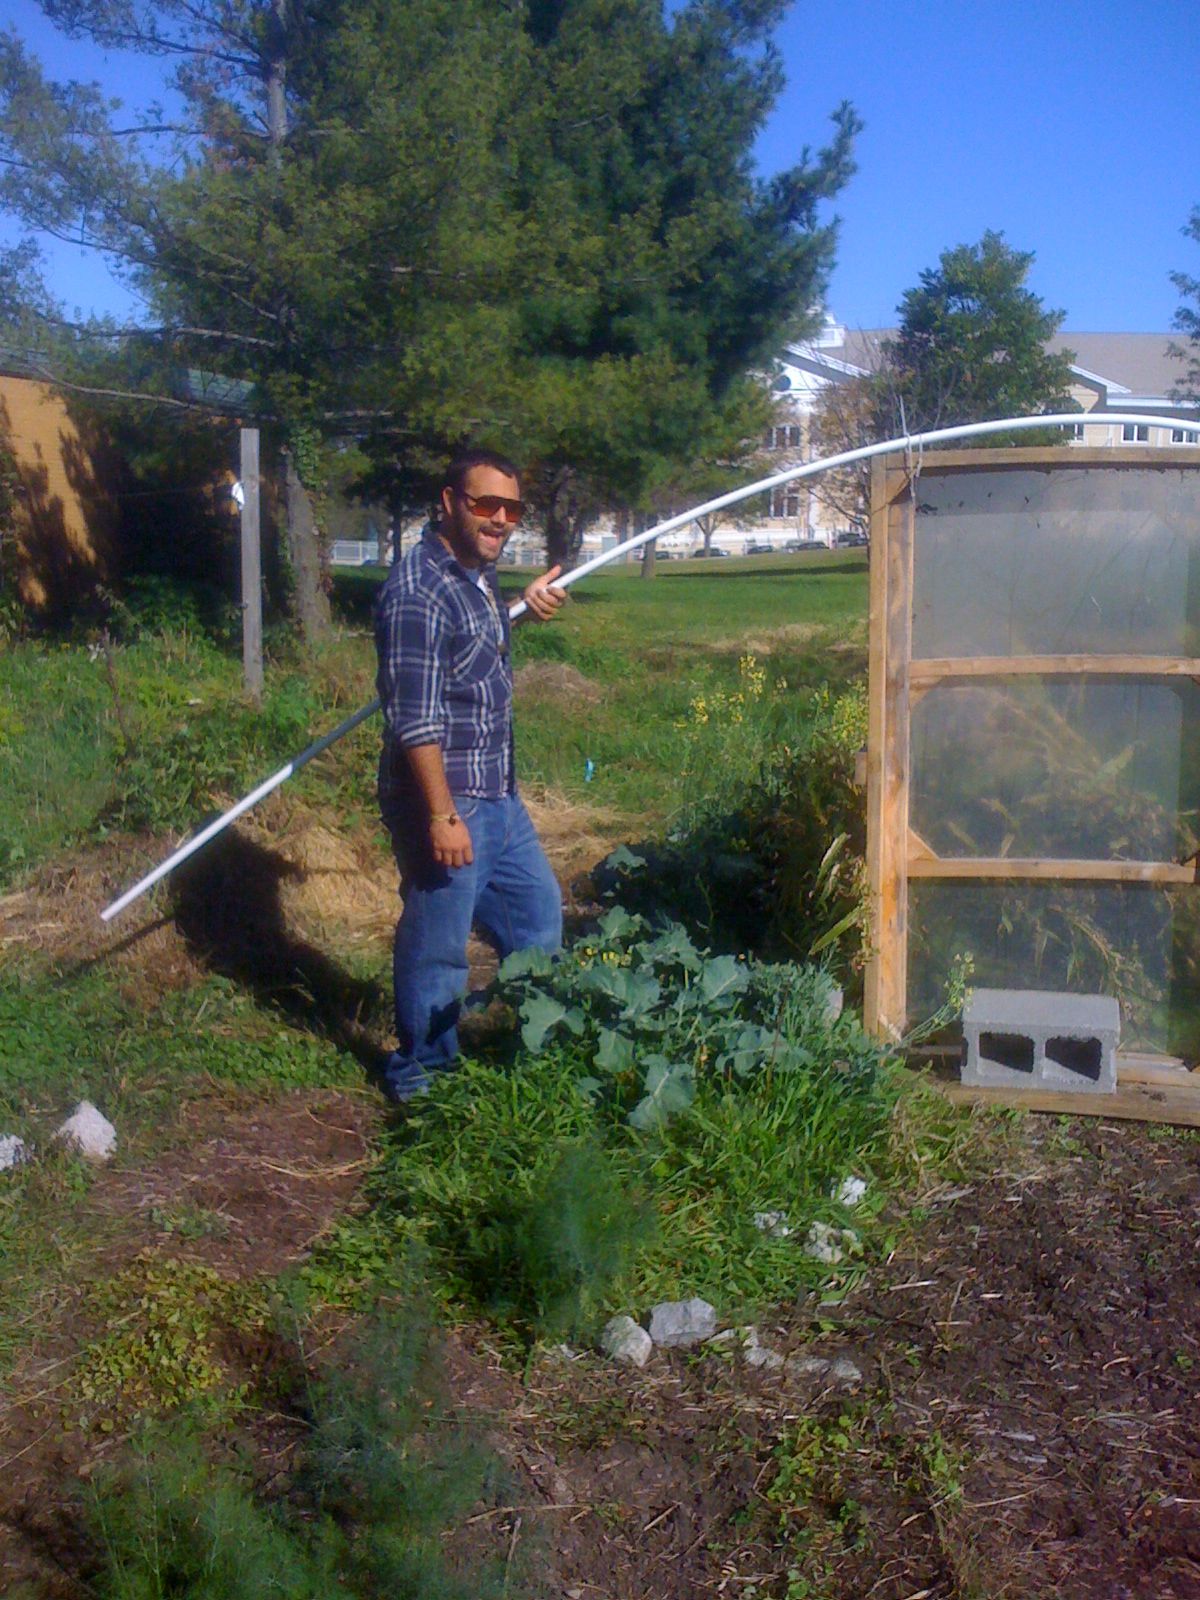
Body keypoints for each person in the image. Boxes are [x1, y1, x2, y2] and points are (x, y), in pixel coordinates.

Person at [374, 447, 566, 1103]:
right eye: (488, 505)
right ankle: (422, 1081)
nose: (502, 519)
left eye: (513, 508)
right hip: (447, 798)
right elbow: (416, 721)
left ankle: (536, 1040)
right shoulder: (417, 591)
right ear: (451, 501)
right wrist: (441, 815)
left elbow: (473, 654)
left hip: (498, 796)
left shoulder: (475, 576)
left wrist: (522, 606)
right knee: (439, 948)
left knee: (538, 923)